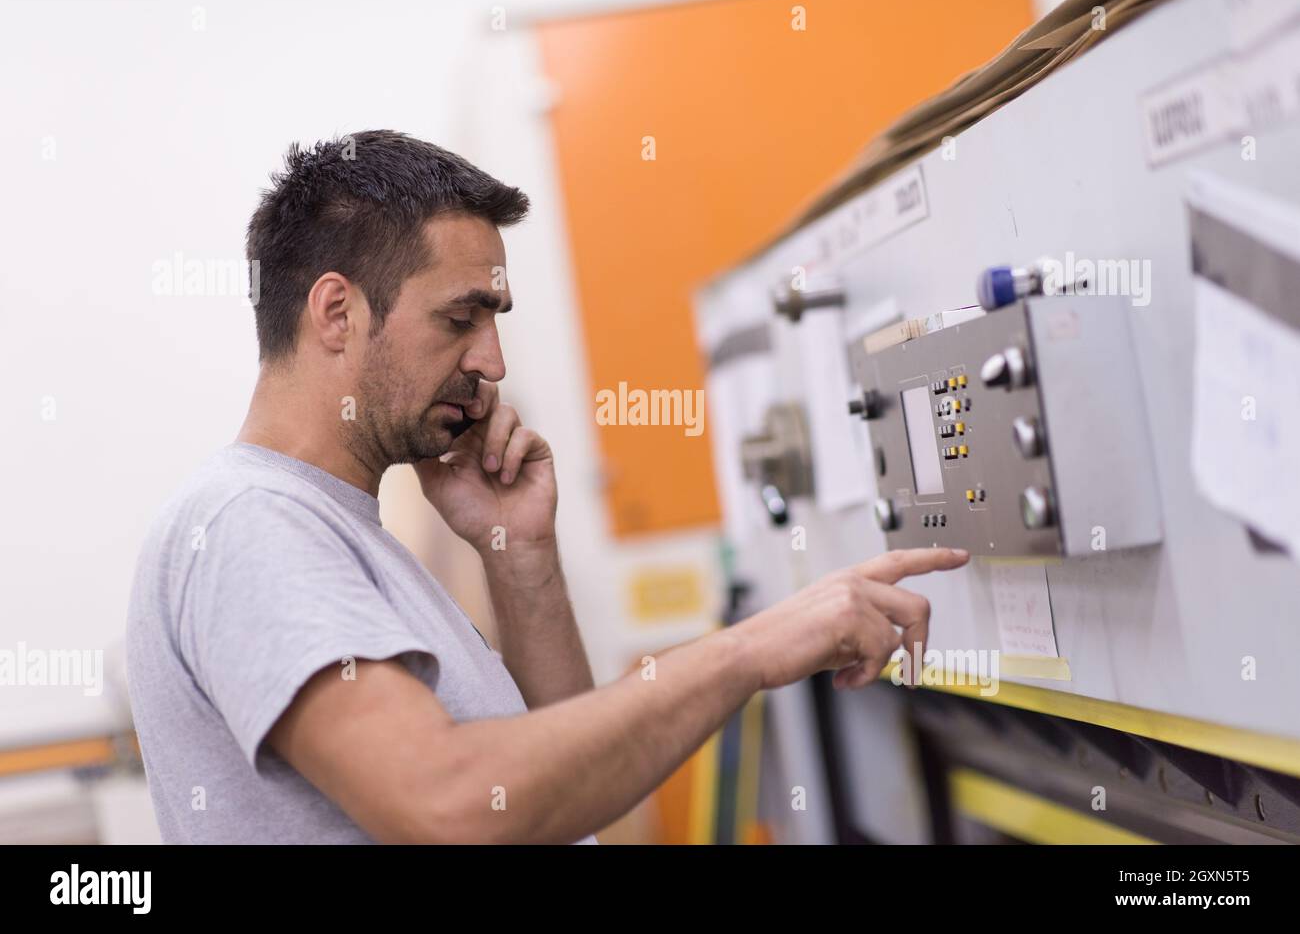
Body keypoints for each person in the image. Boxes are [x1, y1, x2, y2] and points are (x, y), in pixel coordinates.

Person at [125, 129, 969, 844]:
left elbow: (564, 789)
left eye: (495, 321)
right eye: (460, 319)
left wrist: (519, 554)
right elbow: (447, 800)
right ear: (337, 314)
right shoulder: (248, 525)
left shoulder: (344, 533)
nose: (491, 361)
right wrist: (749, 648)